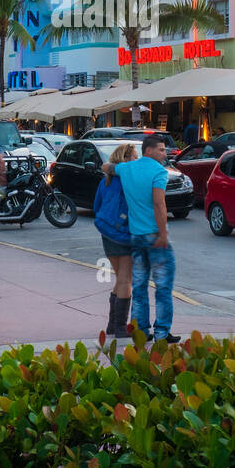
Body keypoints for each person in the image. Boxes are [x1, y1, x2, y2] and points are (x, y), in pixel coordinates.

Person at [115, 135, 179, 344]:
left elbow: (107, 166)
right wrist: (162, 234)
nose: (165, 153)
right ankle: (162, 333)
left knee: (140, 285)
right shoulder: (159, 171)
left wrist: (109, 166)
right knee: (162, 286)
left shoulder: (127, 169)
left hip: (137, 236)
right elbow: (159, 204)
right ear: (149, 151)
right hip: (154, 235)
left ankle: (141, 331)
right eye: (161, 150)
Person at [94, 143, 135, 339]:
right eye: (134, 157)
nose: (136, 161)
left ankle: (112, 325)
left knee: (120, 277)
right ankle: (119, 327)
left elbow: (97, 205)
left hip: (106, 231)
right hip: (123, 233)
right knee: (126, 279)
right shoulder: (129, 182)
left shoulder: (106, 181)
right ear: (125, 160)